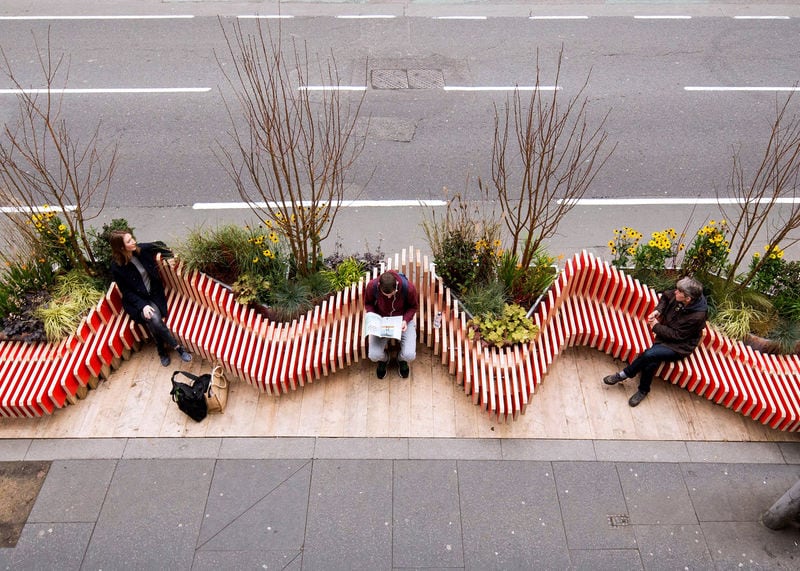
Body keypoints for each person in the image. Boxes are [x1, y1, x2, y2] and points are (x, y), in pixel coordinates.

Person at [603, 276, 707, 407]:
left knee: (649, 355)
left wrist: (656, 326)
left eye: (679, 292)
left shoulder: (697, 316)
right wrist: (658, 311)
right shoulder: (683, 295)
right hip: (665, 333)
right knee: (651, 362)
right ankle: (643, 390)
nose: (675, 292)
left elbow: (677, 336)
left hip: (679, 346)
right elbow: (665, 296)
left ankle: (624, 374)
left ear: (688, 299)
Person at [110, 230, 192, 367]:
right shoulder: (117, 267)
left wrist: (170, 257)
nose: (134, 241)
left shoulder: (143, 249)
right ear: (121, 248)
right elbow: (126, 292)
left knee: (153, 321)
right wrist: (142, 306)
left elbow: (160, 245)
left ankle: (161, 350)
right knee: (153, 318)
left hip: (154, 294)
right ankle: (178, 348)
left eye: (132, 238)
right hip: (138, 301)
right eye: (129, 241)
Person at [364, 270, 419, 379]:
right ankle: (384, 359)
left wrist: (406, 320)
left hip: (403, 320)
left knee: (410, 355)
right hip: (382, 320)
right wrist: (374, 318)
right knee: (373, 355)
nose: (389, 297)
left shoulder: (408, 288)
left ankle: (401, 359)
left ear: (397, 287)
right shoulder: (372, 286)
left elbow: (413, 307)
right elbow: (368, 304)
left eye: (392, 294)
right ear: (379, 286)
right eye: (386, 295)